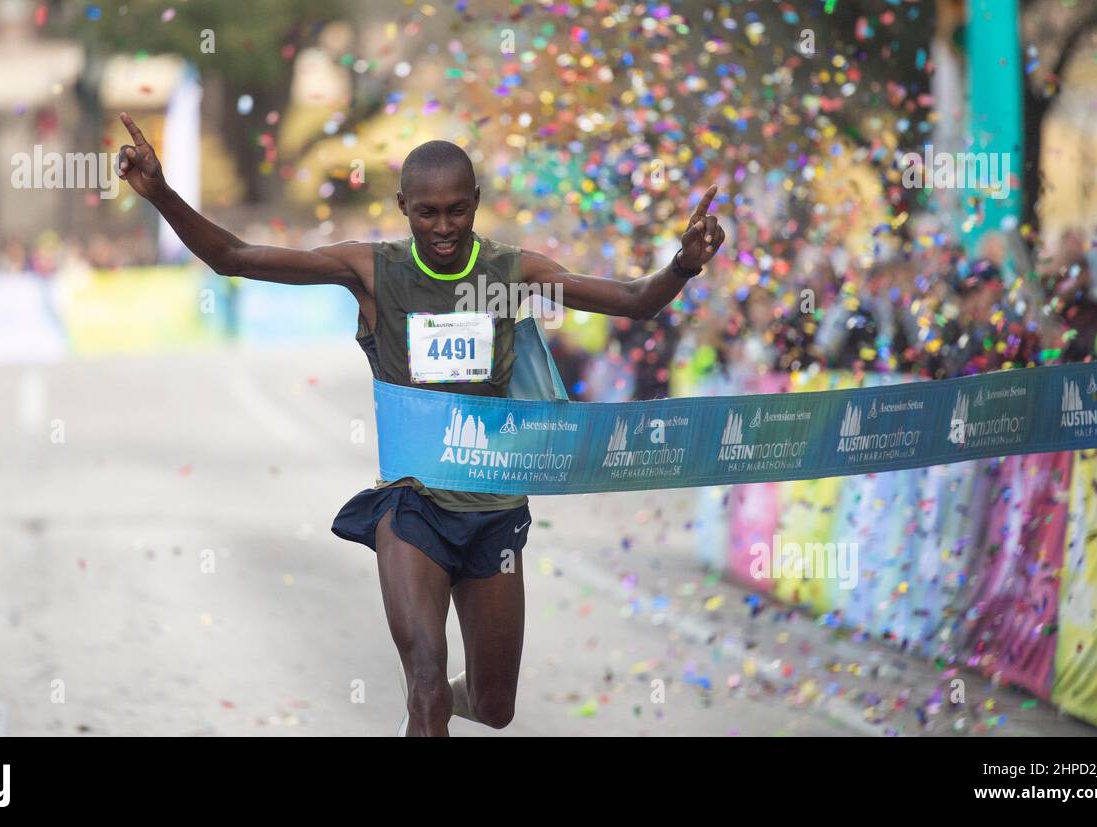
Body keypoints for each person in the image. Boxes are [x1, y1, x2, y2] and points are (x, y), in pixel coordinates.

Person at [114, 112, 726, 736]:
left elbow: (634, 302)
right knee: (426, 688)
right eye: (427, 212)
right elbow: (234, 257)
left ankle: (459, 697)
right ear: (402, 204)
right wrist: (160, 192)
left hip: (492, 509)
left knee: (493, 706)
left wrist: (683, 264)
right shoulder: (373, 270)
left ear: (477, 203)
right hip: (413, 510)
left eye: (458, 211)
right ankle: (427, 705)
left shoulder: (511, 272)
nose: (443, 227)